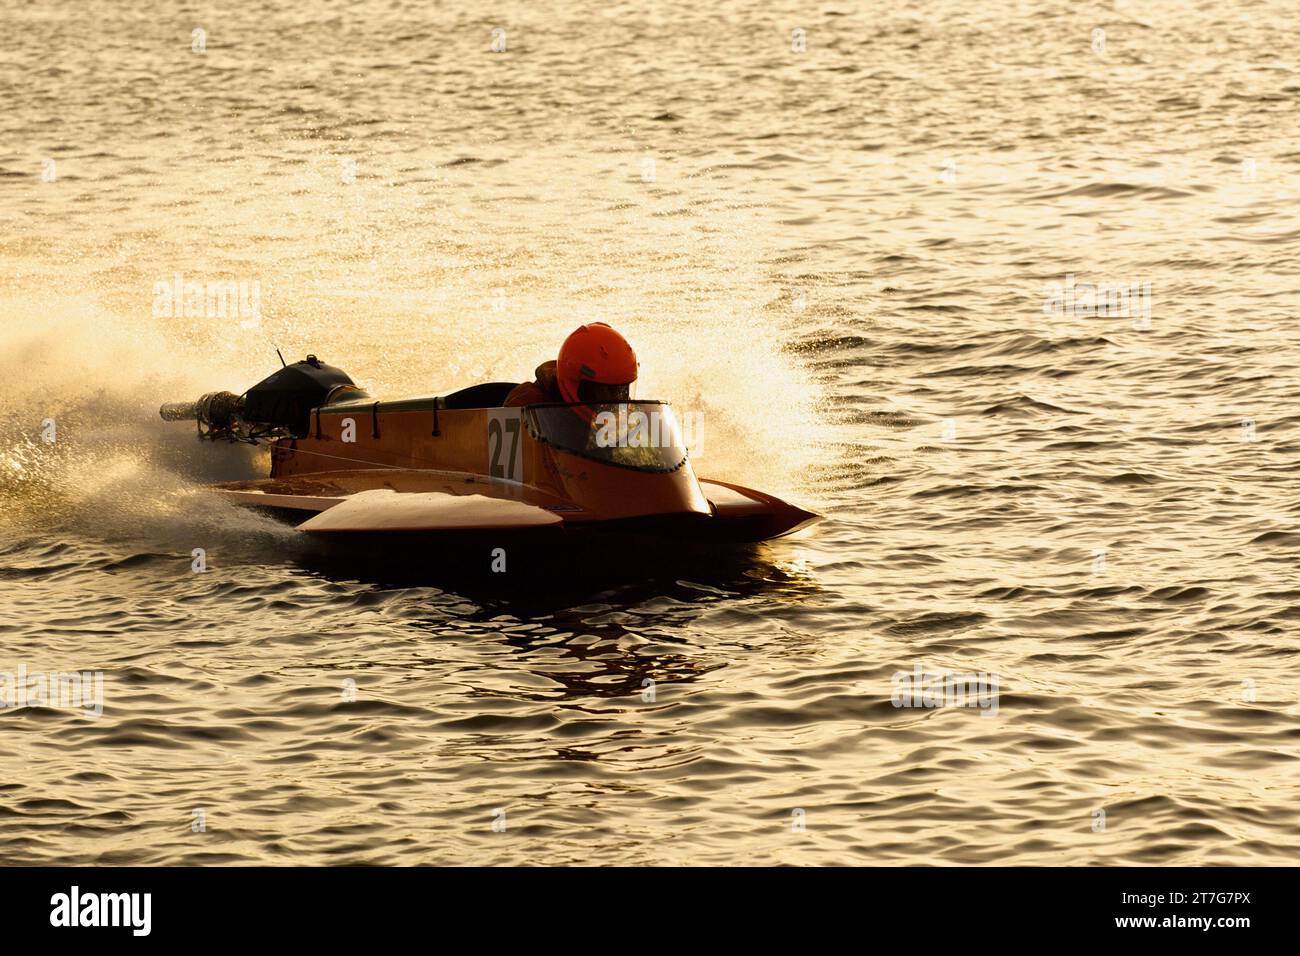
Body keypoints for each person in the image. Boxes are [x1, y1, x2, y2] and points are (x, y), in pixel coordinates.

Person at [504, 322, 638, 408]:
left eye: (621, 390)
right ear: (577, 384)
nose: (614, 400)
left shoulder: (621, 410)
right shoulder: (527, 402)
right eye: (604, 390)